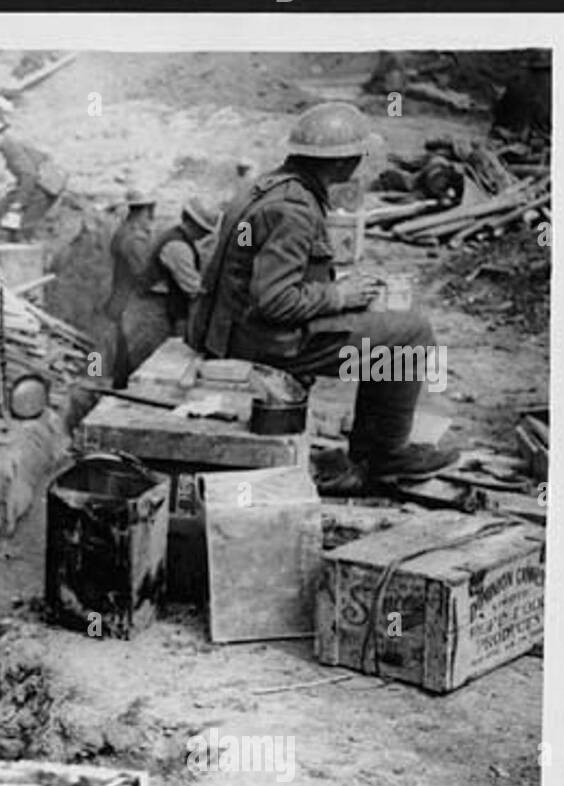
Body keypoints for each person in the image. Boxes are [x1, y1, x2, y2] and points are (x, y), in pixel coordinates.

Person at [187, 101, 457, 494]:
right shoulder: (294, 209)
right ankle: (384, 456)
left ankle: (372, 448)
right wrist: (339, 294)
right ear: (341, 163)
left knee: (388, 327)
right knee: (411, 333)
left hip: (232, 329)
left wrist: (336, 287)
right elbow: (275, 301)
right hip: (263, 343)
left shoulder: (268, 186)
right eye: (357, 157)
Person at [103, 188, 170, 389]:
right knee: (129, 361)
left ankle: (110, 391)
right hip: (129, 306)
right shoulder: (133, 239)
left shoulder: (126, 231)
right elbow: (144, 275)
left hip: (121, 302)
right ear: (148, 210)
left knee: (118, 360)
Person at [0, 119, 67, 238]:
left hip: (44, 187)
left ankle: (28, 245)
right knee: (2, 207)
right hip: (40, 184)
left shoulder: (12, 149)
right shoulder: (11, 146)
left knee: (21, 222)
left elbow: (29, 175)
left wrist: (19, 202)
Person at [152, 197, 219, 340]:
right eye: (205, 231)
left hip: (168, 306)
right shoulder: (178, 247)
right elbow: (193, 288)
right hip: (158, 311)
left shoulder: (179, 237)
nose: (205, 235)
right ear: (194, 225)